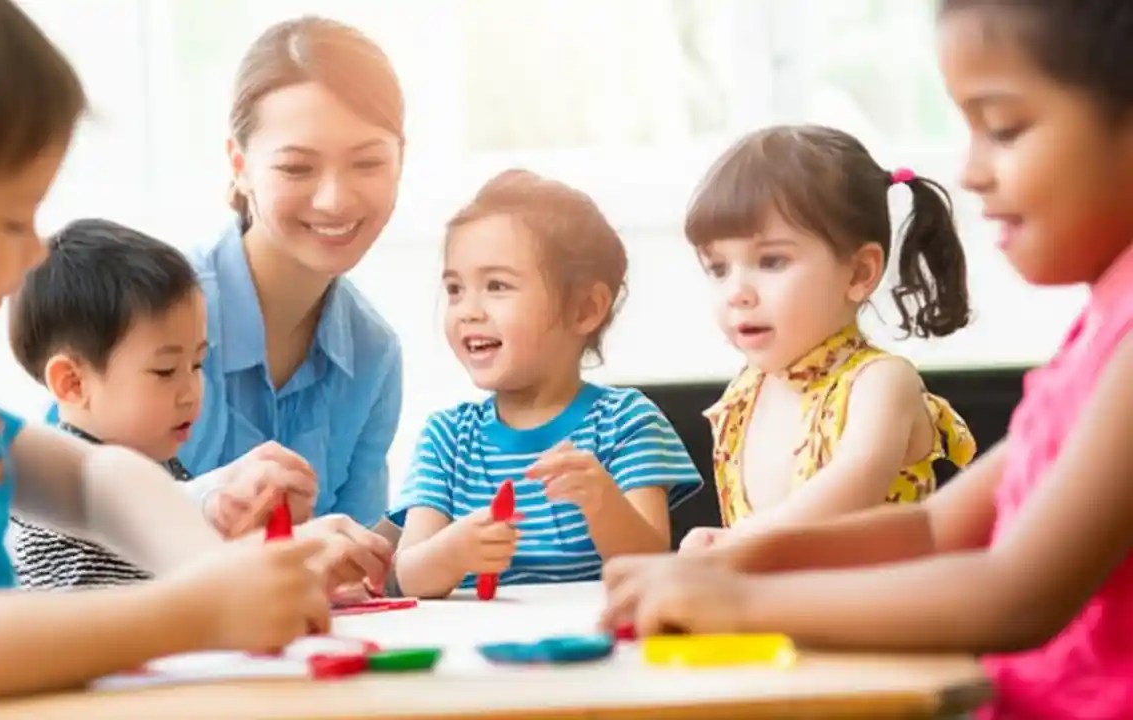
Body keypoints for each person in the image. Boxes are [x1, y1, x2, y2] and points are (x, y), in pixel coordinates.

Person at [602, 2, 1133, 717]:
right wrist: (749, 555)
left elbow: (1019, 593)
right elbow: (938, 527)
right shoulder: (1102, 330)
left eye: (1003, 128)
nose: (971, 172)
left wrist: (744, 599)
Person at [0, 3, 330, 716]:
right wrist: (196, 610)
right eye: (14, 221)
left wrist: (223, 571)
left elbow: (88, 478)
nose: (35, 252)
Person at [391, 171, 702, 598]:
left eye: (496, 286)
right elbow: (408, 576)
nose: (467, 310)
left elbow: (650, 565)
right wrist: (452, 552)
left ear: (585, 310)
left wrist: (601, 502)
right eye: (455, 289)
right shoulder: (446, 439)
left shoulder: (627, 422)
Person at [676, 124, 976, 552]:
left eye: (772, 261)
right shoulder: (746, 393)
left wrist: (732, 545)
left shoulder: (881, 382)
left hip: (883, 613)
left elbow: (850, 488)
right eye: (718, 268)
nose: (737, 292)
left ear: (859, 273)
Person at [7, 219, 329, 589]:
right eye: (164, 371)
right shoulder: (50, 516)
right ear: (73, 383)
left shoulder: (167, 472)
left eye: (196, 364)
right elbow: (99, 633)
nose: (191, 391)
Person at [181, 16, 406, 532]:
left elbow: (353, 556)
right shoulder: (145, 309)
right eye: (297, 168)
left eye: (368, 164)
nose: (334, 199)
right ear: (239, 165)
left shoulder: (374, 355)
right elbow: (57, 524)